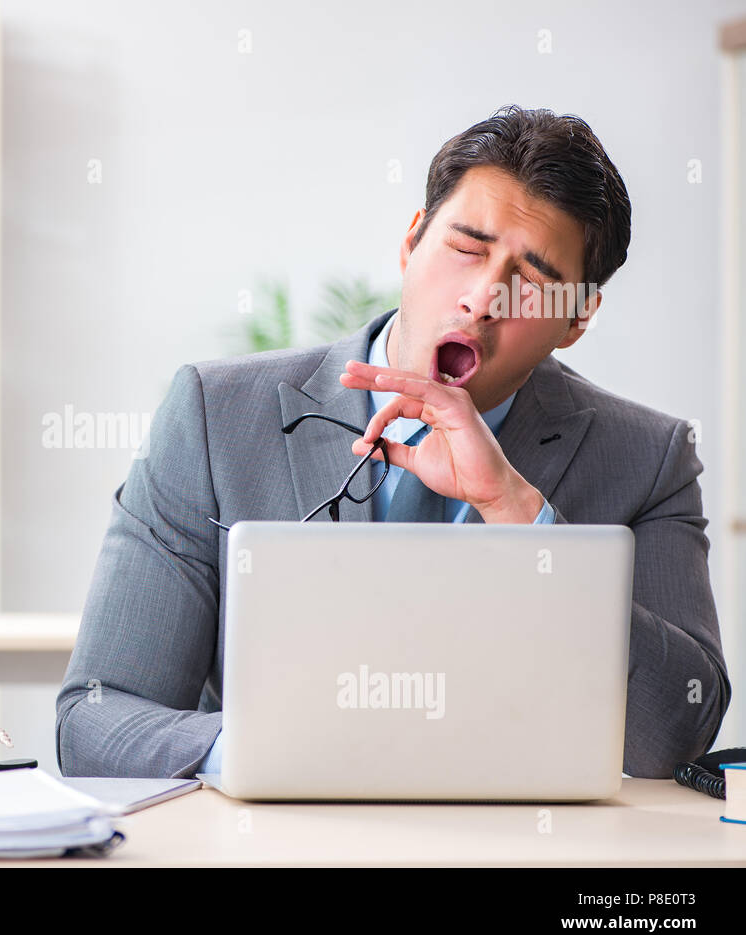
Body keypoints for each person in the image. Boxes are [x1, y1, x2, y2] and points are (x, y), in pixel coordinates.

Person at [55, 105, 730, 780]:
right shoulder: (216, 417)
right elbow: (95, 718)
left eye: (531, 283)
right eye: (465, 250)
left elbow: (673, 733)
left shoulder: (650, 458)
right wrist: (277, 752)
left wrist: (522, 516)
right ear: (412, 242)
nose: (482, 298)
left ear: (577, 320)